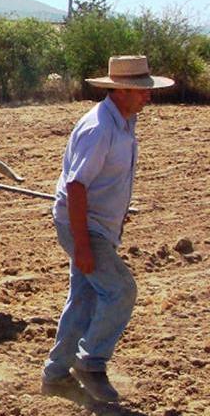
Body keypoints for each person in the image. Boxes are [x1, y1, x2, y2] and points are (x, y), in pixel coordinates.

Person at [41, 56, 173, 402]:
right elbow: (77, 186)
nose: (149, 96)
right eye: (143, 90)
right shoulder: (99, 128)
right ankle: (92, 362)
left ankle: (56, 375)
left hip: (95, 224)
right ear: (123, 90)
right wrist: (83, 245)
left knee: (83, 300)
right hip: (83, 225)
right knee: (121, 291)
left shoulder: (123, 122)